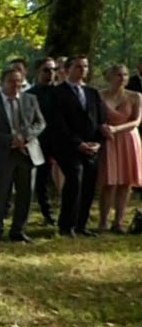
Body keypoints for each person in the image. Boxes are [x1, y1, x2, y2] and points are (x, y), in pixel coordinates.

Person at [0, 66, 46, 243]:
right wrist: (10, 139)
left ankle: (18, 230)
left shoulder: (30, 99)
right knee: (0, 193)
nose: (15, 85)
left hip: (27, 153)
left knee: (25, 193)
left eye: (19, 81)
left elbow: (40, 123)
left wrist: (24, 137)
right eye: (11, 81)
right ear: (2, 83)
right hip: (3, 153)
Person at [47, 55, 109, 237]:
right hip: (67, 147)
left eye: (85, 66)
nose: (82, 70)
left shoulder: (92, 93)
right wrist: (78, 143)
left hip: (91, 147)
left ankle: (81, 224)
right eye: (78, 66)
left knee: (89, 184)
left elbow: (100, 120)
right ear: (67, 69)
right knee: (75, 180)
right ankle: (67, 225)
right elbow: (58, 123)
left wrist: (97, 142)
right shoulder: (57, 93)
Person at [96, 63, 142, 232]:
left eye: (125, 75)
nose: (122, 78)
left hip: (128, 138)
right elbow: (95, 117)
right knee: (109, 181)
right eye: (118, 75)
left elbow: (136, 121)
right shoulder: (99, 96)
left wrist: (116, 129)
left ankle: (118, 222)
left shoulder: (135, 96)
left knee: (125, 182)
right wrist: (103, 128)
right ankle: (102, 222)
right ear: (109, 77)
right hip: (108, 140)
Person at [25, 57, 61, 225]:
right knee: (41, 180)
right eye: (46, 70)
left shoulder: (61, 92)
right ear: (38, 72)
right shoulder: (29, 95)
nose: (51, 74)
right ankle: (48, 214)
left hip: (61, 140)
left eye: (54, 70)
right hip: (38, 142)